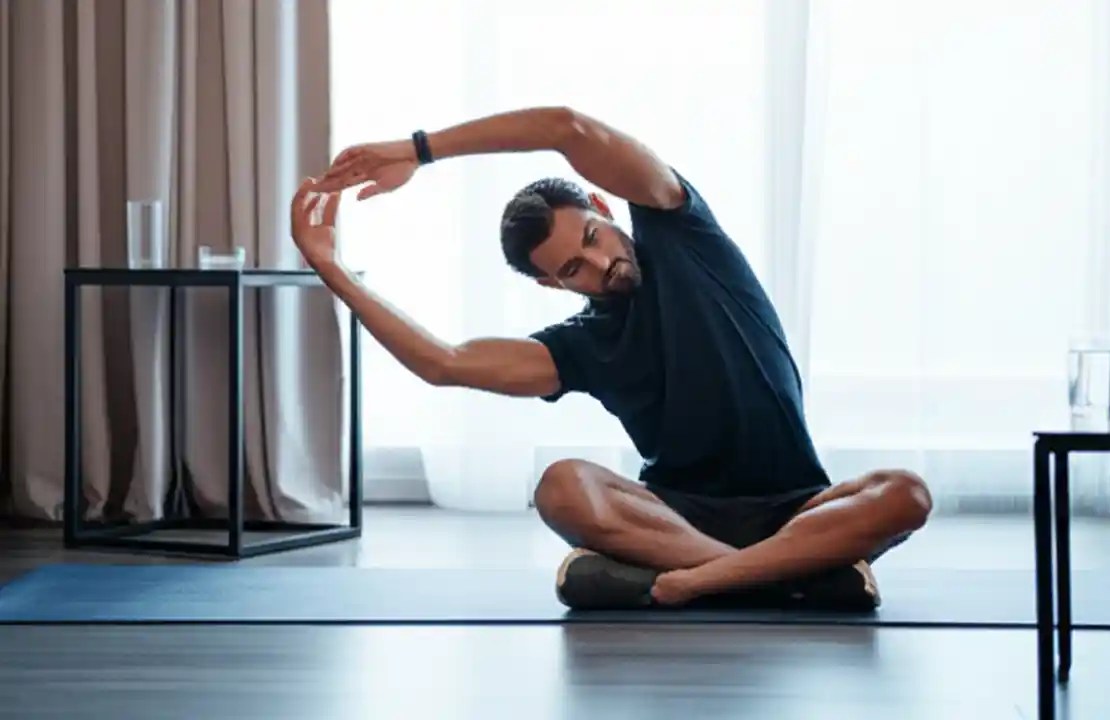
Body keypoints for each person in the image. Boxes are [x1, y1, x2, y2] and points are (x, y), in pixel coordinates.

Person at [293, 106, 933, 611]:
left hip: (798, 508)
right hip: (673, 516)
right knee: (563, 488)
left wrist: (418, 149)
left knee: (904, 493)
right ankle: (778, 578)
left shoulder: (681, 230)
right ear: (553, 285)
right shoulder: (581, 344)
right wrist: (329, 264)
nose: (602, 264)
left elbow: (564, 128)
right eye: (575, 268)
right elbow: (444, 362)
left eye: (594, 239)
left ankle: (705, 579)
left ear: (602, 207)